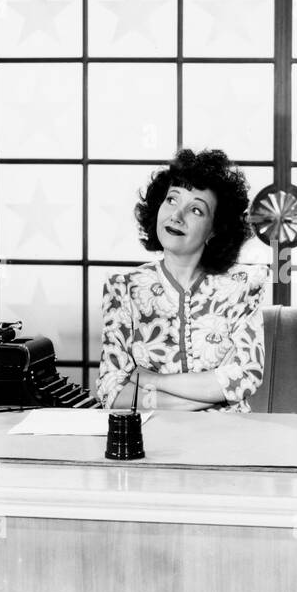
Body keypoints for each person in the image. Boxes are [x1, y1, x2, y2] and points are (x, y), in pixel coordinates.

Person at [96, 148, 265, 413]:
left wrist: (152, 380)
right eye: (172, 200)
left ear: (215, 229)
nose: (177, 215)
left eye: (196, 210)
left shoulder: (242, 285)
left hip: (225, 442)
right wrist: (213, 394)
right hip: (149, 441)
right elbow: (112, 391)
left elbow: (245, 377)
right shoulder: (122, 287)